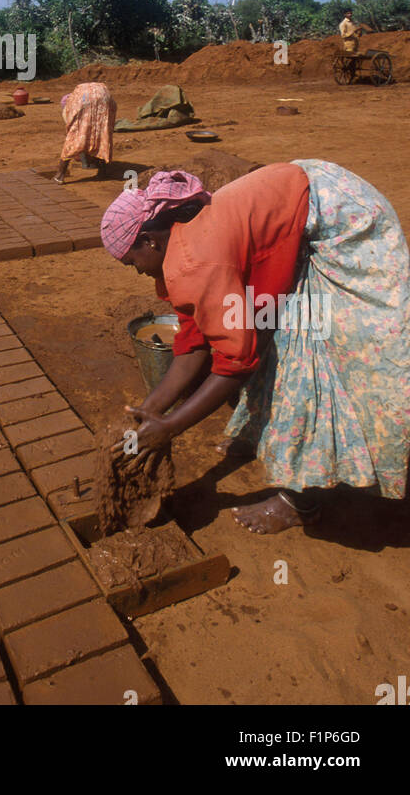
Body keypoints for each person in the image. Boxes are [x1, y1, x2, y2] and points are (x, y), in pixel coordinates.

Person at [100, 163, 410, 534]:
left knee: (307, 354)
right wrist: (152, 410)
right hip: (305, 203)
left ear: (150, 241)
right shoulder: (181, 246)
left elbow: (236, 360)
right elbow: (194, 339)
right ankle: (264, 434)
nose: (134, 271)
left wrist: (170, 427)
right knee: (263, 327)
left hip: (343, 223)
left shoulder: (194, 262)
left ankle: (302, 500)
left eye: (131, 262)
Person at [54, 82, 117, 183]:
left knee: (73, 138)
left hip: (85, 100)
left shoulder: (69, 103)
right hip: (105, 97)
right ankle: (103, 171)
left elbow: (71, 129)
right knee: (103, 134)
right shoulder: (76, 94)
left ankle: (60, 175)